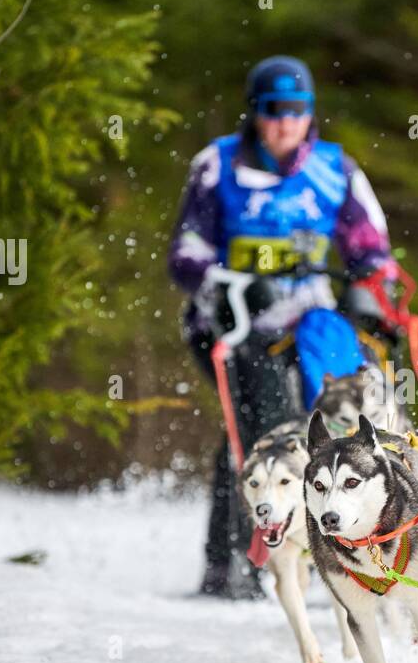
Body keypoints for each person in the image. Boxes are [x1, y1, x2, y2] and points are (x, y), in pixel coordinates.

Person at [168, 55, 404, 599]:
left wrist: (371, 302)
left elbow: (372, 250)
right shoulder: (217, 165)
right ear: (254, 112)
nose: (284, 123)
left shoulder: (335, 169)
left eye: (296, 111)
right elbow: (185, 254)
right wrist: (229, 285)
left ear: (310, 114)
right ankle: (237, 566)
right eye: (273, 111)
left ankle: (348, 553)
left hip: (310, 325)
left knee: (344, 421)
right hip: (230, 325)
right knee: (264, 422)